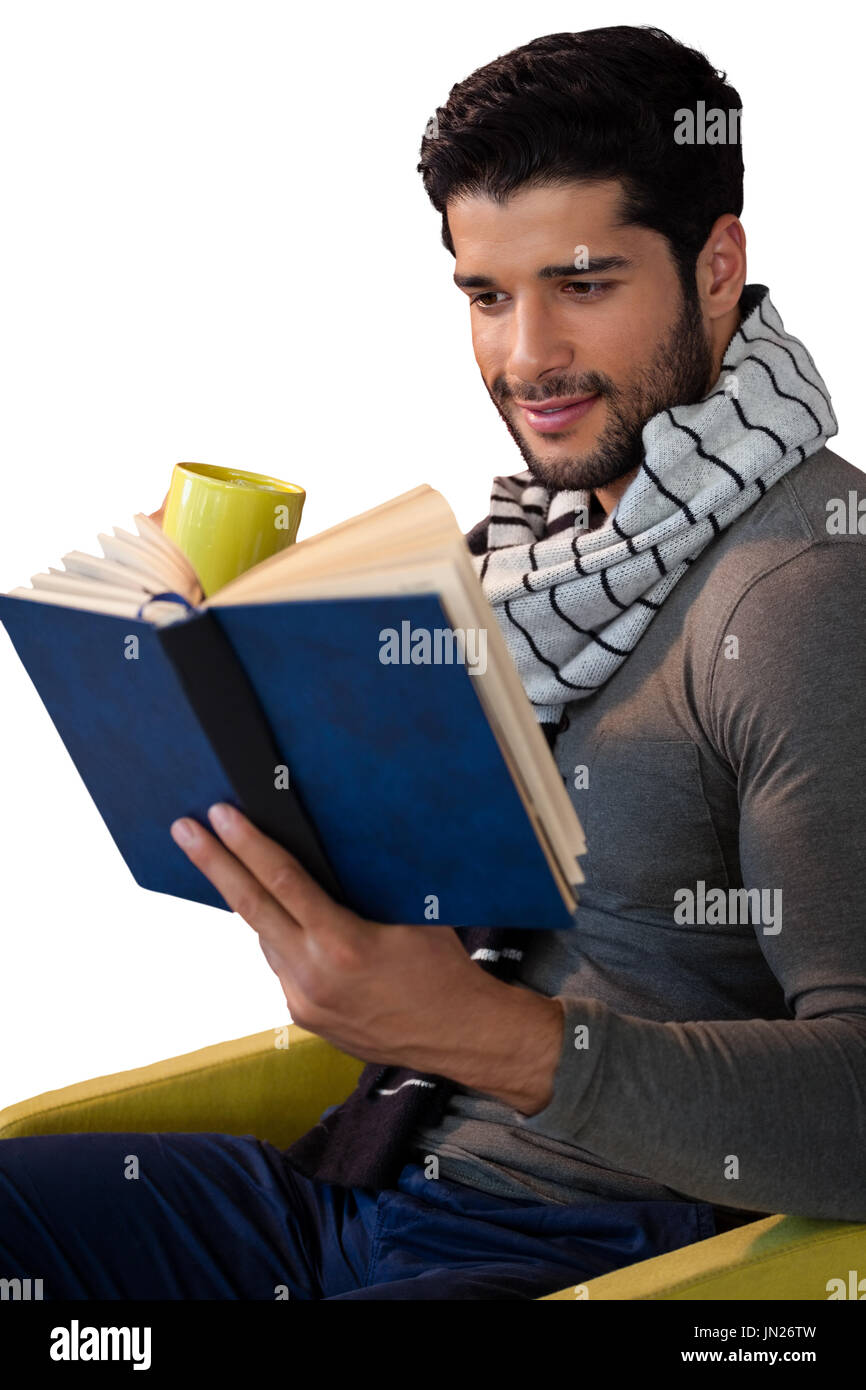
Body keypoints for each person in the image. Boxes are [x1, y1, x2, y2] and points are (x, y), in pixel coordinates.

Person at [1, 25, 864, 1302]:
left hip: (587, 1252)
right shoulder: (531, 549)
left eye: (582, 283)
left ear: (716, 265)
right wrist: (232, 706)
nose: (525, 360)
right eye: (485, 295)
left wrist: (481, 1034)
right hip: (368, 1182)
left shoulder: (802, 592)